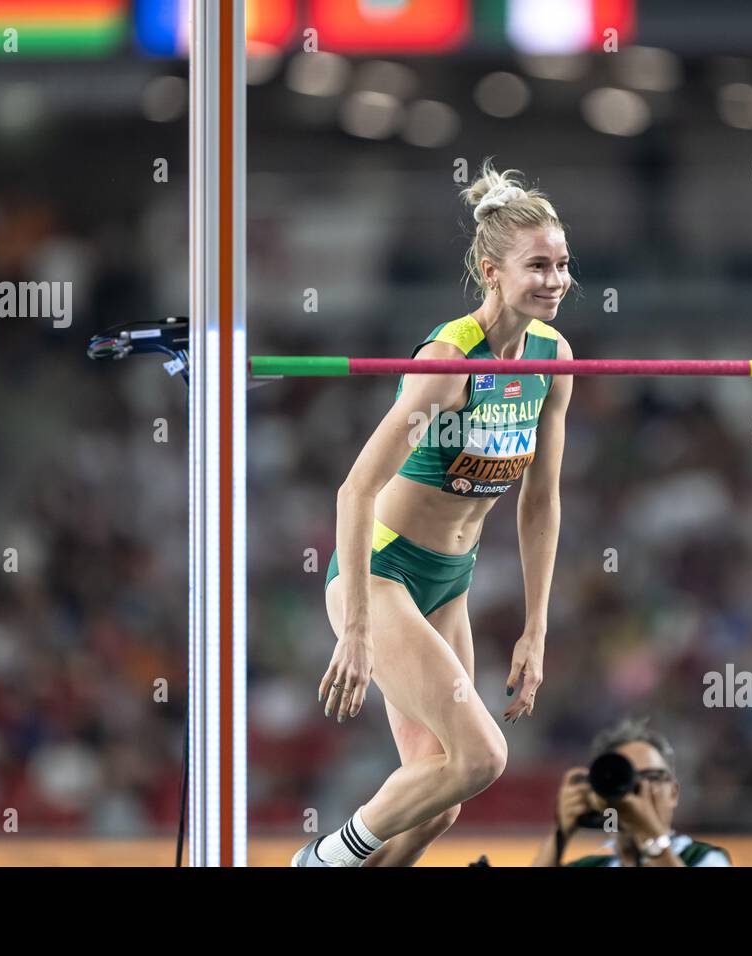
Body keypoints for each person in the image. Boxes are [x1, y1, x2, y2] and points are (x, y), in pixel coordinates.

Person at [293, 159, 576, 867]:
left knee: (442, 799)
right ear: (492, 273)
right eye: (537, 266)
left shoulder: (553, 358)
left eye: (563, 265)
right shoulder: (449, 362)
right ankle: (321, 862)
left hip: (450, 582)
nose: (555, 280)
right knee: (482, 756)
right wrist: (355, 627)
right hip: (383, 571)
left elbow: (541, 502)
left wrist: (536, 631)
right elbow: (354, 490)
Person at [532, 718, 732, 867]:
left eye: (651, 776)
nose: (636, 790)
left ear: (673, 792)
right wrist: (561, 833)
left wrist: (650, 835)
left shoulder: (702, 858)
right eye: (624, 777)